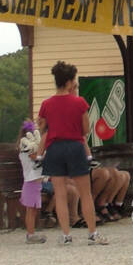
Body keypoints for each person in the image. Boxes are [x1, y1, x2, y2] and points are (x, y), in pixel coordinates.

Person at [36, 61, 108, 245]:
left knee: (59, 193)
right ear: (69, 82)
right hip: (75, 147)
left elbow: (42, 126)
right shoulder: (79, 102)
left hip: (55, 149)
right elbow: (85, 129)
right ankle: (92, 233)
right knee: (85, 193)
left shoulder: (46, 104)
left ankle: (66, 235)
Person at [17, 120, 46, 244]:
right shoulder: (27, 149)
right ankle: (30, 234)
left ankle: (31, 232)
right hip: (31, 181)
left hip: (34, 182)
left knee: (33, 210)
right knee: (30, 210)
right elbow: (37, 157)